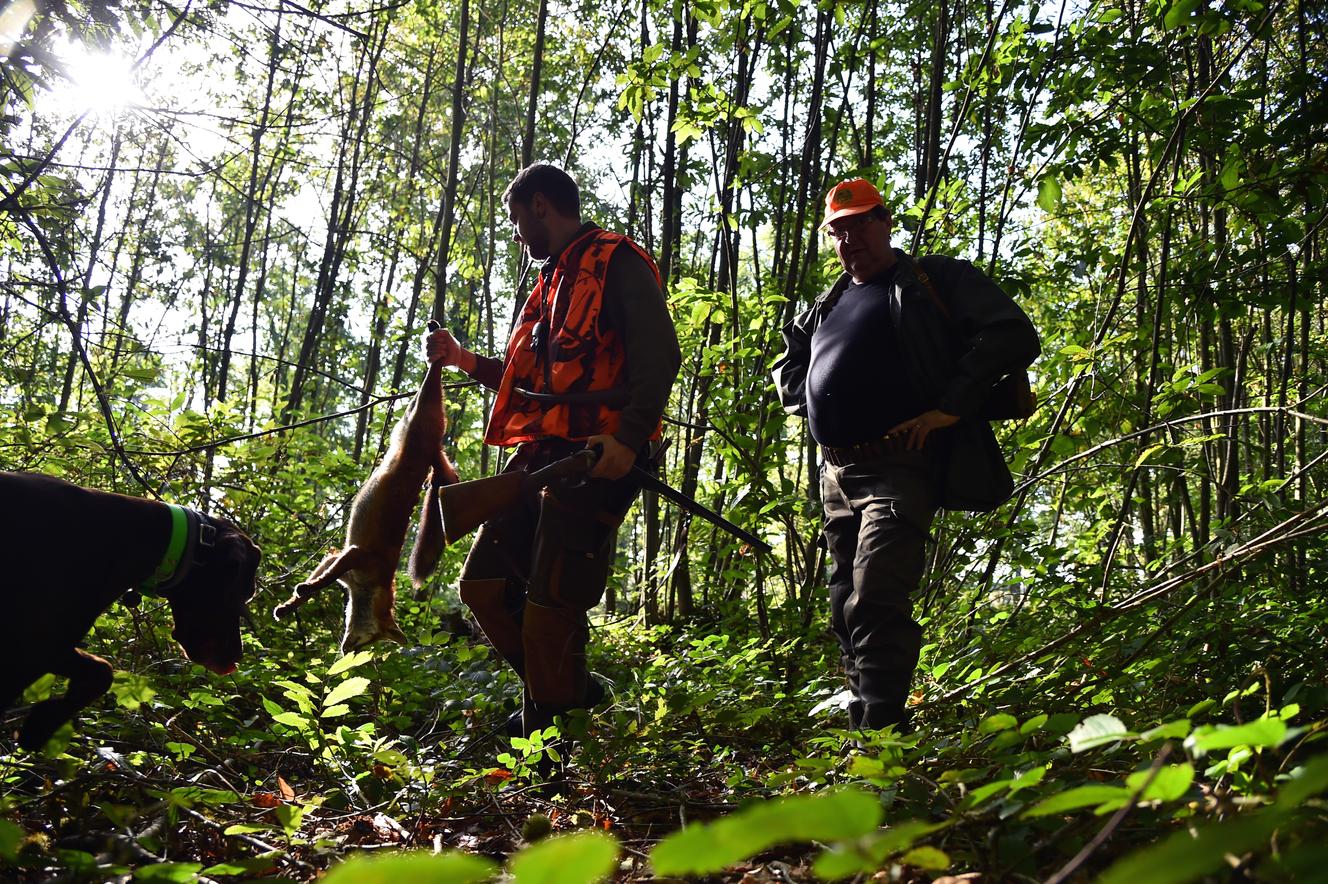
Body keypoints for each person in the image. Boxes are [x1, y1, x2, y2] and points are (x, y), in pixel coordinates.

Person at [772, 178, 1040, 732]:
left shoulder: (930, 280)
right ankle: (861, 720)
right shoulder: (830, 301)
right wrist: (814, 400)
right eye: (838, 230)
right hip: (837, 473)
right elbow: (789, 363)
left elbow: (1011, 335)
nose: (850, 239)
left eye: (861, 223)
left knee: (875, 596)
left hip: (899, 465)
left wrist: (951, 407)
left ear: (886, 221)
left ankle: (885, 734)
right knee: (842, 603)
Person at [426, 163, 680, 738]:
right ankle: (571, 692)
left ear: (540, 205)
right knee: (483, 587)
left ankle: (550, 736)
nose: (517, 234)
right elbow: (535, 382)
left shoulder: (616, 260)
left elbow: (660, 354)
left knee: (550, 607)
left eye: (518, 218)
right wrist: (466, 360)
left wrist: (627, 438)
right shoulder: (553, 281)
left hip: (599, 457)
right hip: (542, 456)